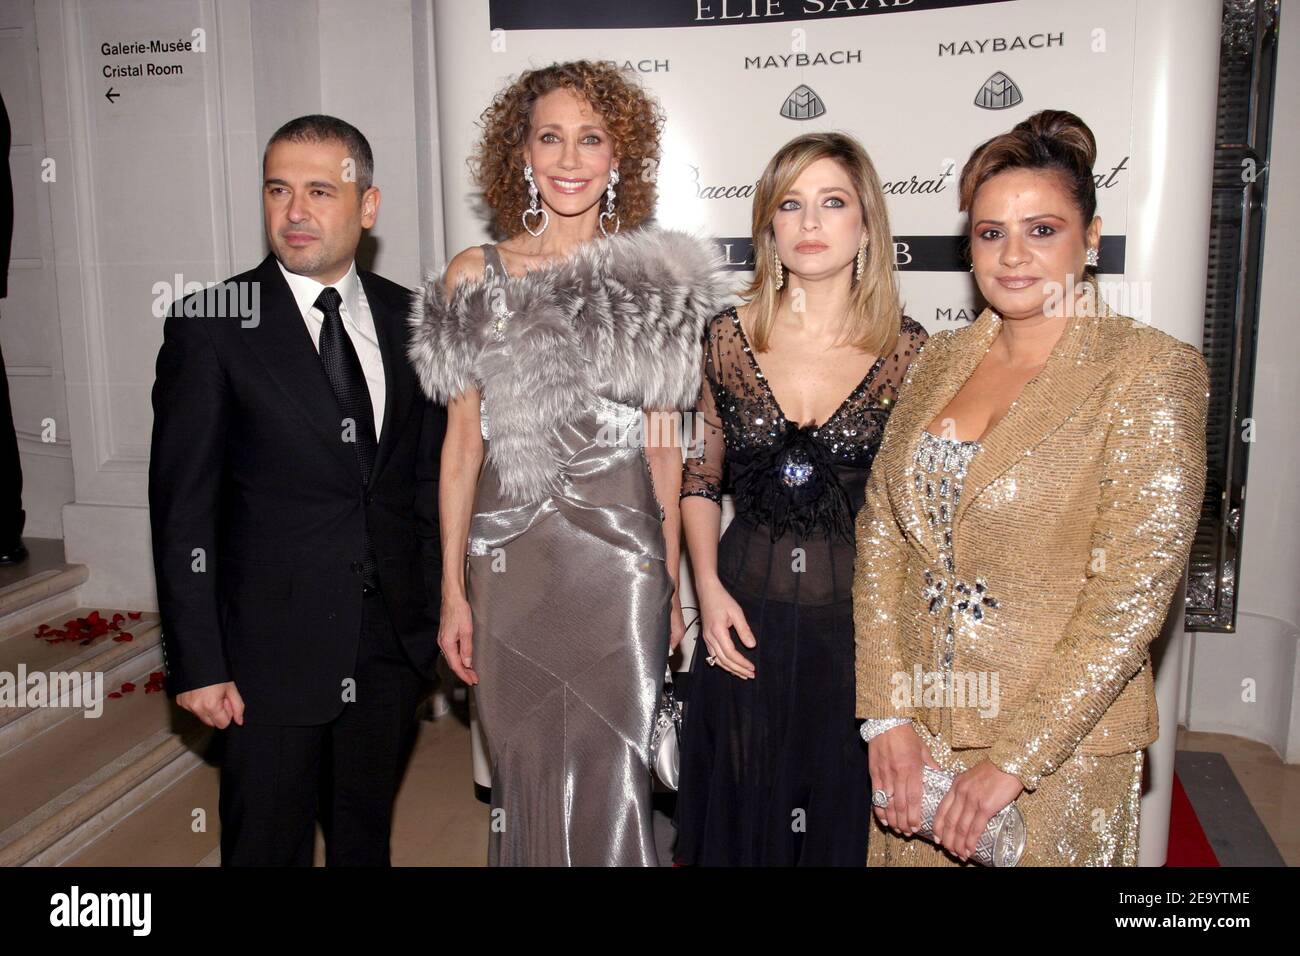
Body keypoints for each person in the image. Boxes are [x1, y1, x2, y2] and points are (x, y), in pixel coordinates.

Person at [855, 110, 1209, 866]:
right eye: (990, 233)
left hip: (1058, 756)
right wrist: (885, 714)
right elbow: (882, 535)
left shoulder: (1148, 372)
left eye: (1042, 230)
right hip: (916, 742)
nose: (1013, 255)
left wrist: (1013, 759)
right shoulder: (938, 359)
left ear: (1092, 236)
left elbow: (1131, 598)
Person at [409, 61, 727, 866]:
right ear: (523, 153)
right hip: (509, 571)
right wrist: (451, 589)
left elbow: (665, 446)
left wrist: (674, 590)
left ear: (619, 158)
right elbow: (461, 447)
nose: (571, 158)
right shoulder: (474, 274)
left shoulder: (656, 280)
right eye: (551, 137)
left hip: (621, 573)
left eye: (591, 139)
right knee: (523, 776)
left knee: (615, 771)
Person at [149, 115, 444, 866]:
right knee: (267, 847)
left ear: (367, 205)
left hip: (385, 649)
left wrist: (437, 612)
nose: (296, 212)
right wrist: (199, 659)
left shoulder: (414, 319)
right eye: (278, 190)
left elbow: (420, 483)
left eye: (320, 190)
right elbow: (183, 508)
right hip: (266, 656)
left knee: (362, 842)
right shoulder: (210, 325)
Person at [672, 133, 927, 866]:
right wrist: (708, 592)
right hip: (742, 617)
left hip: (851, 634)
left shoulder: (909, 352)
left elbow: (912, 513)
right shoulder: (726, 337)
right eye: (791, 204)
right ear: (770, 226)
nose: (810, 223)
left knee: (835, 819)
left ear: (866, 225)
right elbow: (698, 475)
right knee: (742, 811)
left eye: (832, 203)